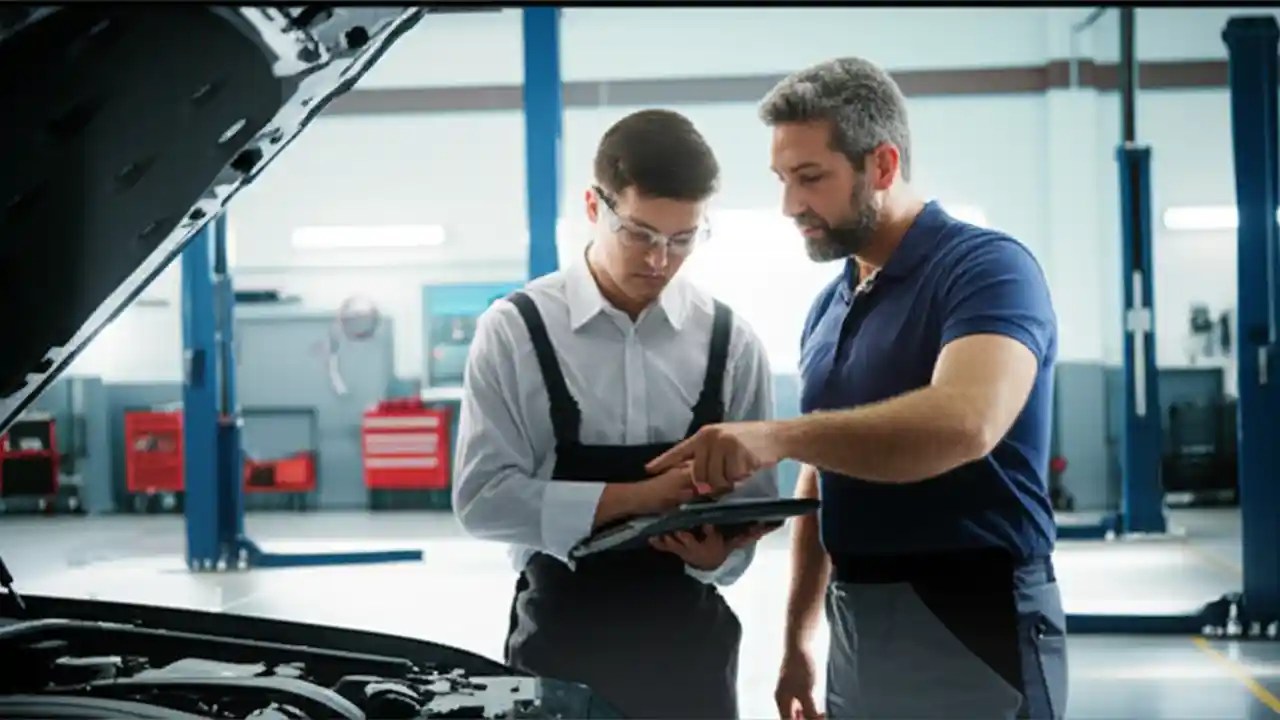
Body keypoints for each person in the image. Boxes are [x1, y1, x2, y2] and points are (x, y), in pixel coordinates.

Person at [646, 57, 1068, 720]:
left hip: (973, 621)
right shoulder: (830, 305)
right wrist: (797, 641)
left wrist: (774, 437)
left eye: (811, 178)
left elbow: (966, 423)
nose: (790, 205)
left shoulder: (988, 270)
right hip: (858, 622)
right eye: (783, 180)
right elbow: (824, 472)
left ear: (883, 165)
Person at [452, 108, 780, 719]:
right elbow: (482, 501)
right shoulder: (516, 332)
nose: (660, 259)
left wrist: (721, 558)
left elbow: (751, 512)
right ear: (593, 205)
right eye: (640, 233)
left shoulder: (732, 343)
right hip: (560, 651)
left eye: (683, 239)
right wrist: (644, 497)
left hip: (691, 658)